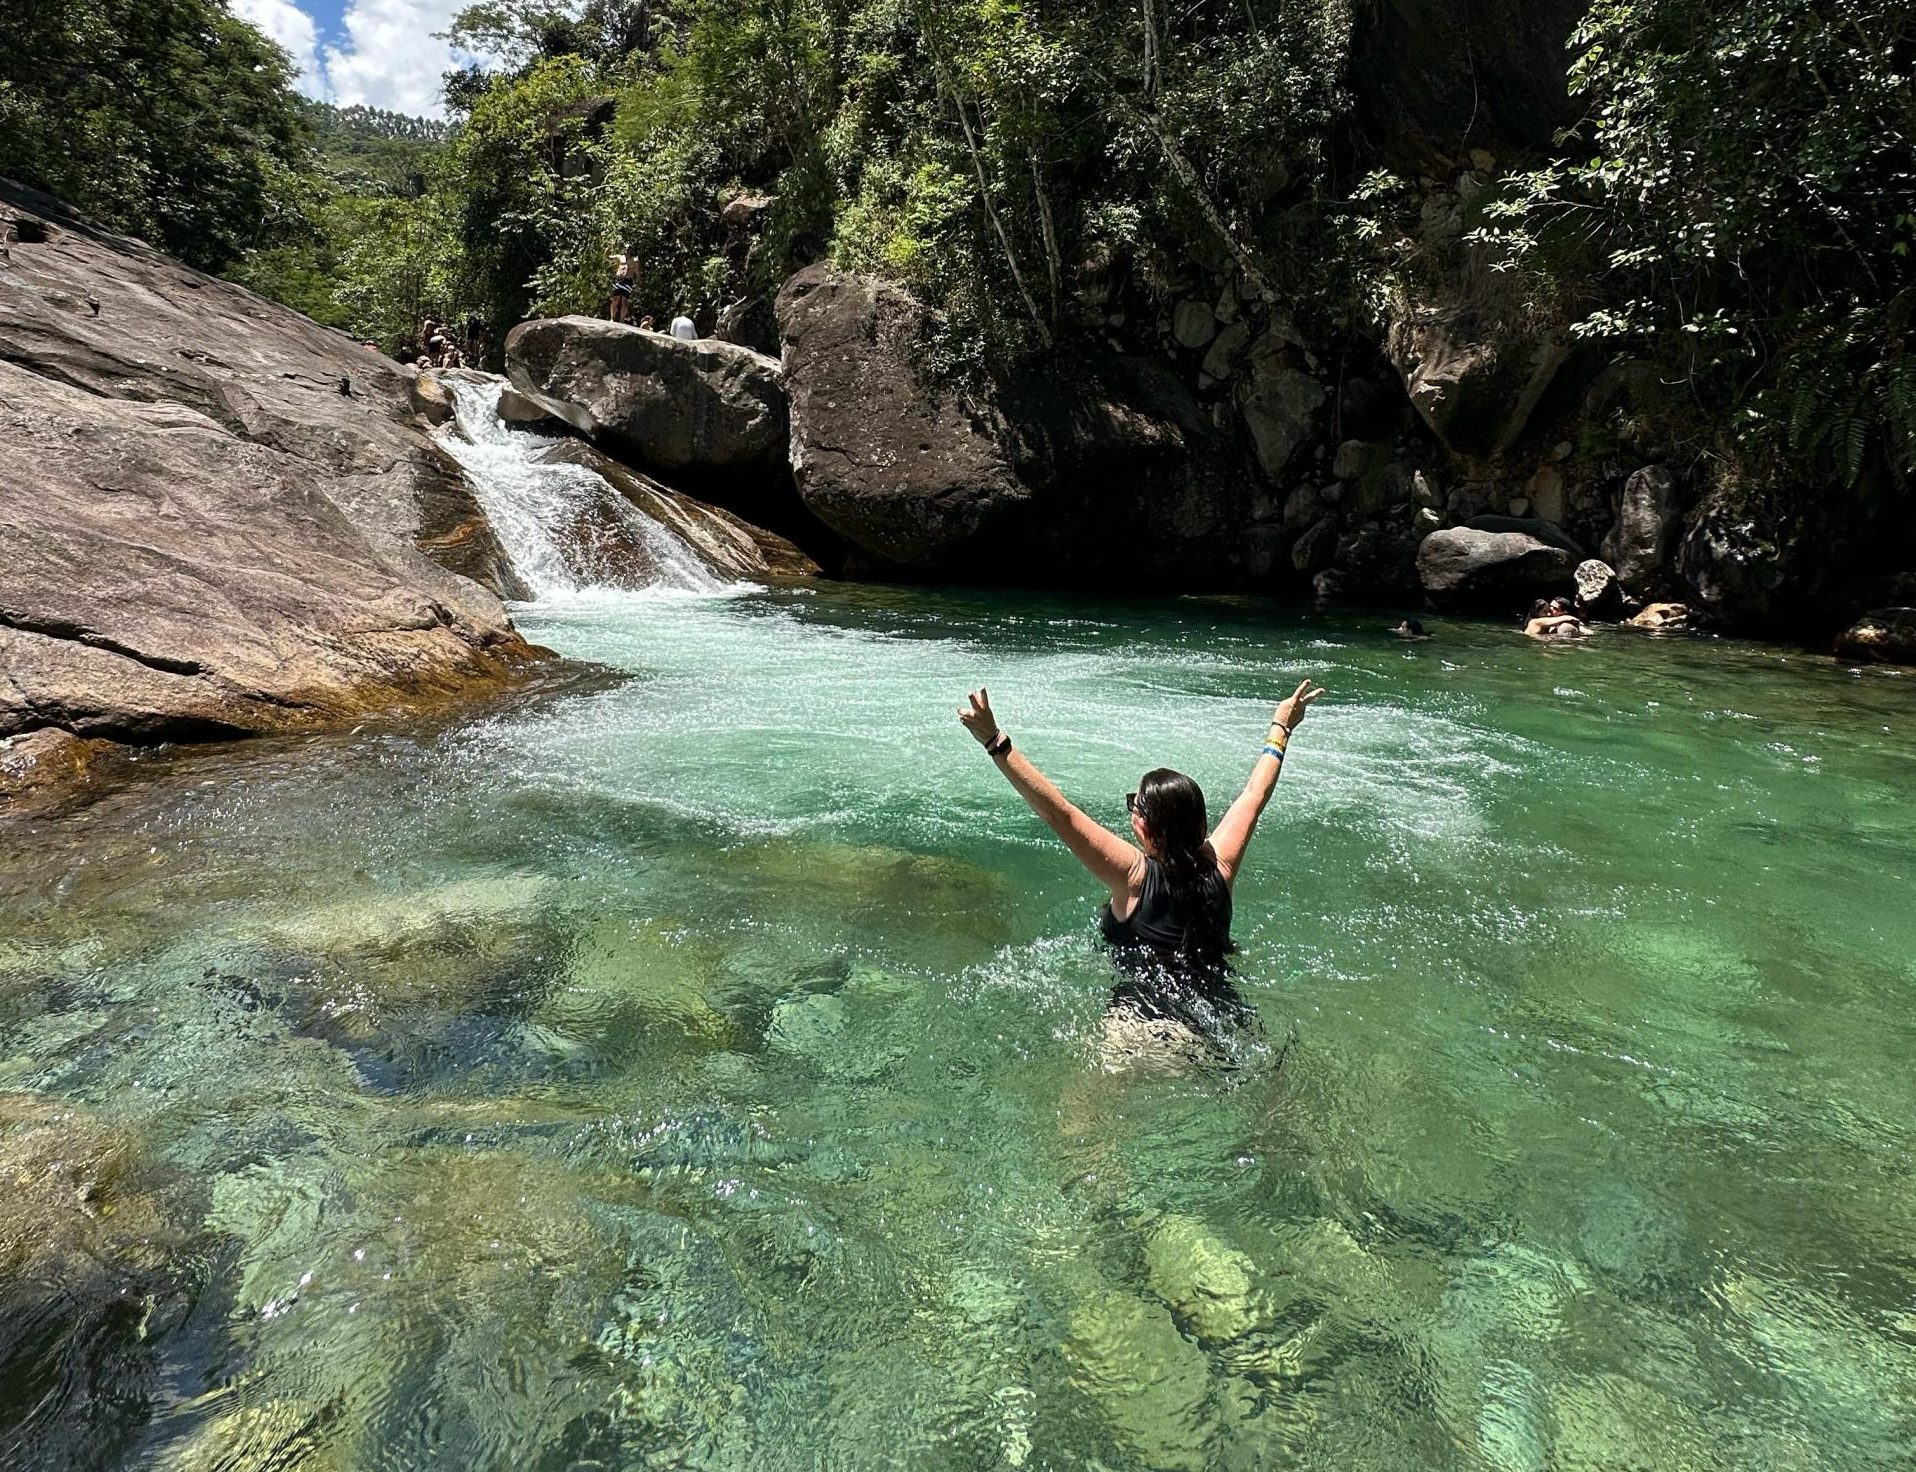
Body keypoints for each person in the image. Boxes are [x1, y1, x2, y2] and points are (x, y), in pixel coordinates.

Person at [958, 679, 1326, 1053]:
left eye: (1135, 804)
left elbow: (1060, 814)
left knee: (1082, 1109)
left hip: (1143, 1028)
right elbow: (1254, 795)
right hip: (1225, 1021)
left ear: (1147, 826)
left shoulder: (1134, 874)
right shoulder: (1221, 865)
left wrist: (996, 742)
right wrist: (1282, 727)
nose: (1131, 808)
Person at [607, 252, 635, 323]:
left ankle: (621, 320)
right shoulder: (619, 257)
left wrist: (638, 282)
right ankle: (612, 318)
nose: (628, 251)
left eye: (629, 249)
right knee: (615, 299)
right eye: (626, 249)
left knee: (624, 301)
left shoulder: (635, 260)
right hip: (618, 280)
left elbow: (637, 272)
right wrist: (607, 250)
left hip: (628, 281)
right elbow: (608, 258)